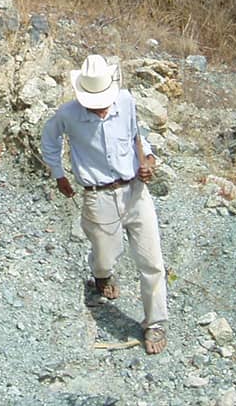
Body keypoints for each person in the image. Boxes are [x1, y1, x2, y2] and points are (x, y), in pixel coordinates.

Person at [41, 54, 168, 355]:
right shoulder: (68, 115)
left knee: (152, 262)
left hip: (135, 192)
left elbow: (137, 137)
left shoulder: (125, 101)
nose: (99, 107)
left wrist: (147, 161)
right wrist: (59, 175)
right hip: (98, 196)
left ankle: (155, 323)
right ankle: (102, 276)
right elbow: (49, 140)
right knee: (105, 255)